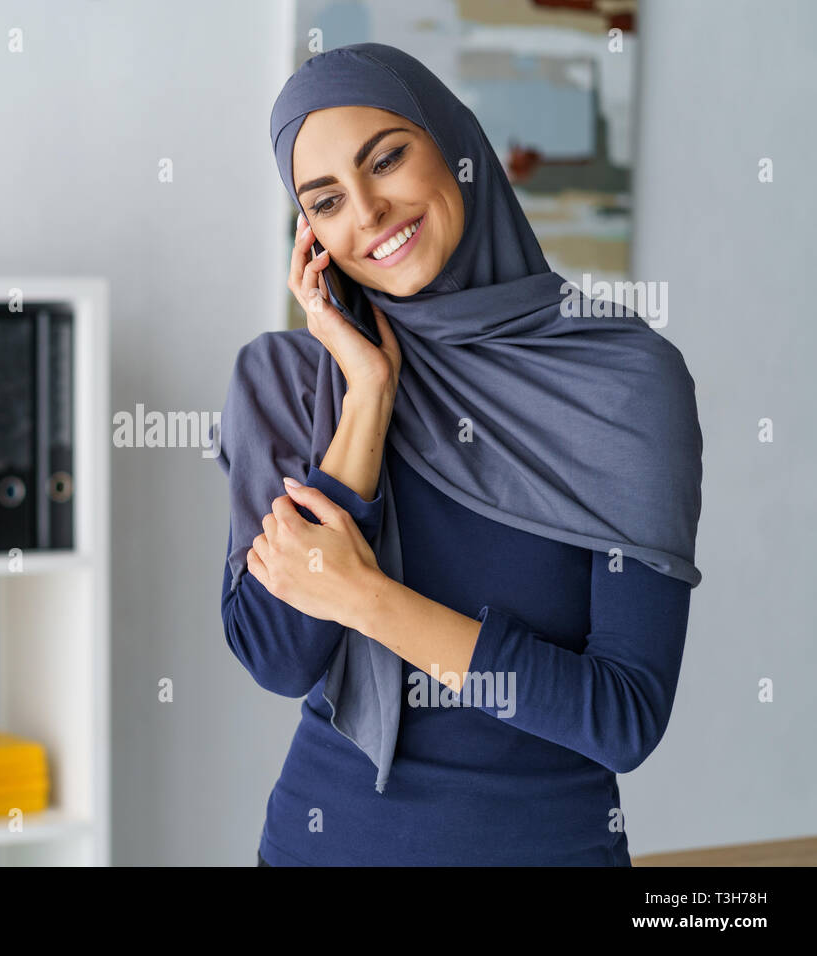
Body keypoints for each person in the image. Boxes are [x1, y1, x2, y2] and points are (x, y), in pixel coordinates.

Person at [216, 43, 703, 866]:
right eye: (327, 200)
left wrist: (368, 600)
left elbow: (622, 718)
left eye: (387, 158)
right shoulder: (290, 378)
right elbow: (277, 654)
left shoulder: (623, 380)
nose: (367, 212)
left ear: (456, 144)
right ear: (314, 236)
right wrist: (367, 395)